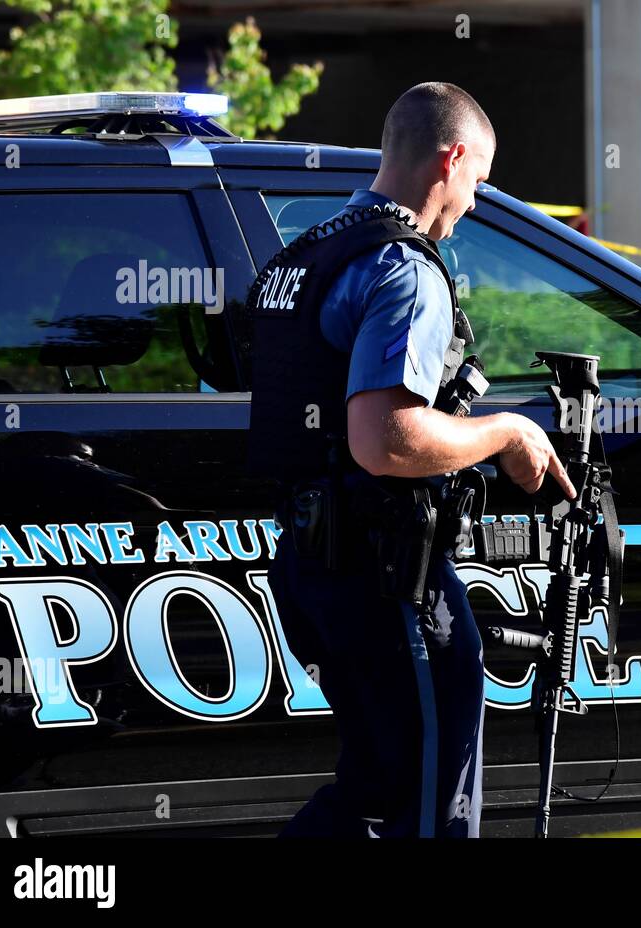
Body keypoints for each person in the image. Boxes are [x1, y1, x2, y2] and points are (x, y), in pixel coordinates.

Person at [250, 82, 575, 838]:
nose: (474, 203)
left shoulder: (309, 251)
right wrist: (505, 434)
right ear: (453, 158)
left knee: (373, 785)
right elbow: (386, 440)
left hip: (310, 567)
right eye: (479, 183)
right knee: (432, 802)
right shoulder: (403, 268)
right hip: (388, 575)